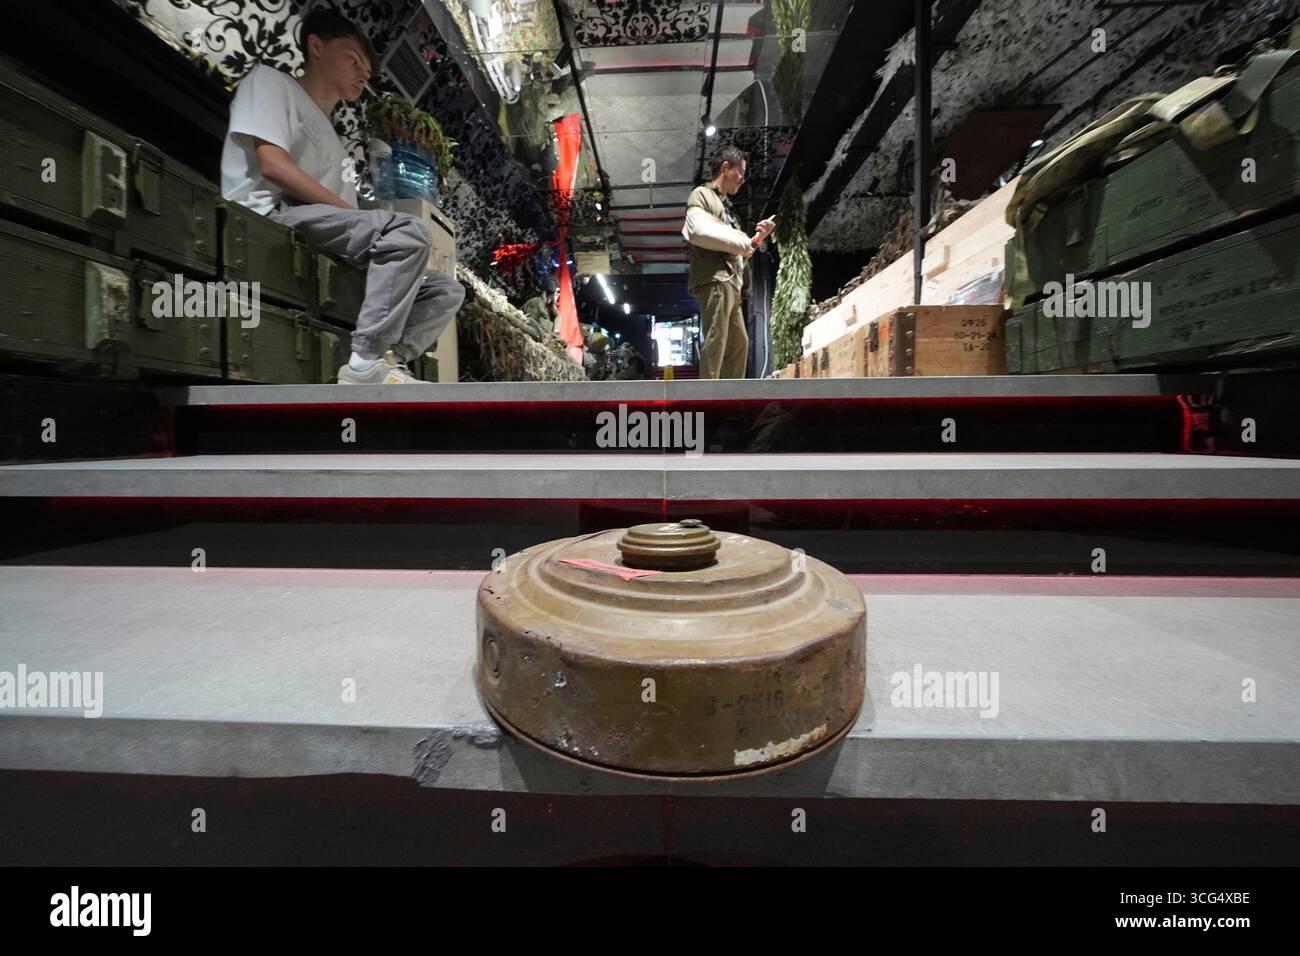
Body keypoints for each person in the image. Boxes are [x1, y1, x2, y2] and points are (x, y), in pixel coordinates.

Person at [220, 8, 464, 385]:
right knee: (409, 232)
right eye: (353, 60)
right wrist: (362, 220)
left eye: (367, 70)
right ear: (316, 46)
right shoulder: (270, 83)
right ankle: (364, 363)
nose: (363, 73)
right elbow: (273, 166)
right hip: (268, 215)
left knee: (445, 290)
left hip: (314, 229)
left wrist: (363, 223)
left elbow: (346, 215)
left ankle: (387, 359)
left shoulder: (338, 142)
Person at [681, 146, 774, 379]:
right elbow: (698, 230)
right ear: (725, 167)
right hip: (716, 280)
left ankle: (729, 401)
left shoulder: (726, 208)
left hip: (731, 283)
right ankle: (708, 401)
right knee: (716, 341)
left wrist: (759, 237)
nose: (742, 180)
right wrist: (742, 241)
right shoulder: (703, 195)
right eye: (740, 172)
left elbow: (742, 250)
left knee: (739, 345)